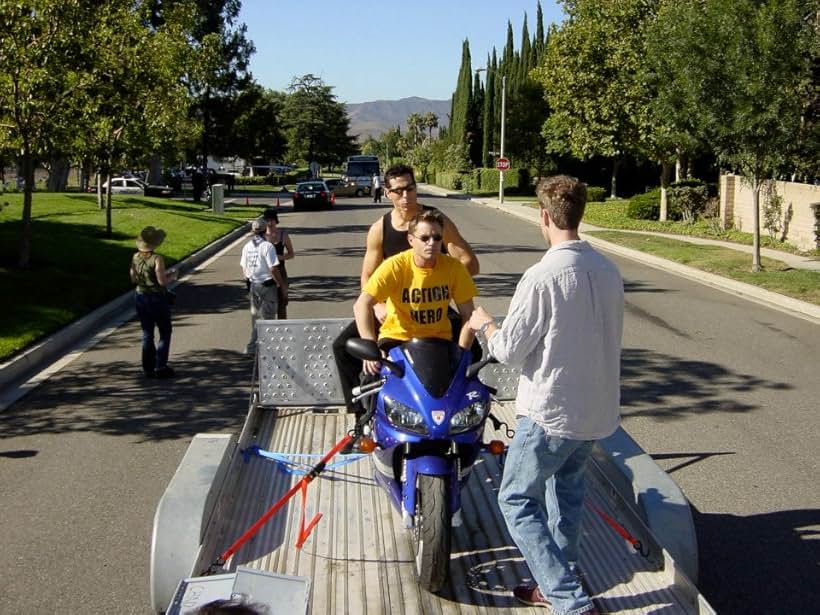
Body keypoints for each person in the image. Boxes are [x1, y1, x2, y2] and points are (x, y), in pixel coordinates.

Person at [468, 176, 623, 614]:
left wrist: (485, 324)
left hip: (552, 413)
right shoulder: (608, 270)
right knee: (566, 498)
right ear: (580, 214)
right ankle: (559, 581)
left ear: (543, 216)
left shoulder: (542, 276)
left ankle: (569, 601)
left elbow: (509, 351)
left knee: (516, 499)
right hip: (595, 412)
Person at [332, 163, 479, 414]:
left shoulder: (436, 221)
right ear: (387, 193)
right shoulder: (380, 229)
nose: (406, 196)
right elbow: (367, 275)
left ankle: (462, 410)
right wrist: (379, 305)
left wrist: (434, 280)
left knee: (474, 349)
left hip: (432, 303)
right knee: (342, 347)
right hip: (392, 308)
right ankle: (360, 417)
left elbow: (470, 263)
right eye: (398, 191)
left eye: (410, 188)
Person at [353, 209, 477, 372]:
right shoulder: (395, 266)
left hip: (438, 341)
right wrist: (370, 348)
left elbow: (469, 315)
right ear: (411, 240)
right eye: (425, 238)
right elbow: (361, 305)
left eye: (437, 238)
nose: (431, 243)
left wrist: (462, 352)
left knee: (464, 382)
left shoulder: (454, 268)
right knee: (373, 374)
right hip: (397, 339)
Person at [130, 226, 178, 378]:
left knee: (147, 333)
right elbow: (162, 282)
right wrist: (172, 275)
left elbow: (133, 278)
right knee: (165, 331)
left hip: (141, 297)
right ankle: (161, 366)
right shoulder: (157, 259)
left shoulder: (135, 257)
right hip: (157, 298)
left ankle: (147, 367)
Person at [240, 217, 287, 355]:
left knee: (256, 318)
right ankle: (265, 349)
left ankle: (253, 348)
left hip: (254, 284)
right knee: (269, 318)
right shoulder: (267, 246)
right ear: (264, 230)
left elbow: (244, 268)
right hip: (268, 285)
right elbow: (273, 269)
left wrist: (249, 281)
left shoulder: (247, 246)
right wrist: (282, 285)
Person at [262, 208, 295, 319]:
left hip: (280, 270)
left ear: (276, 221)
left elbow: (291, 254)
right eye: (267, 220)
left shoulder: (283, 235)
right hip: (266, 273)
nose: (270, 223)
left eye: (272, 220)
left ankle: (282, 325)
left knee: (282, 301)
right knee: (267, 304)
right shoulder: (262, 238)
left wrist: (280, 257)